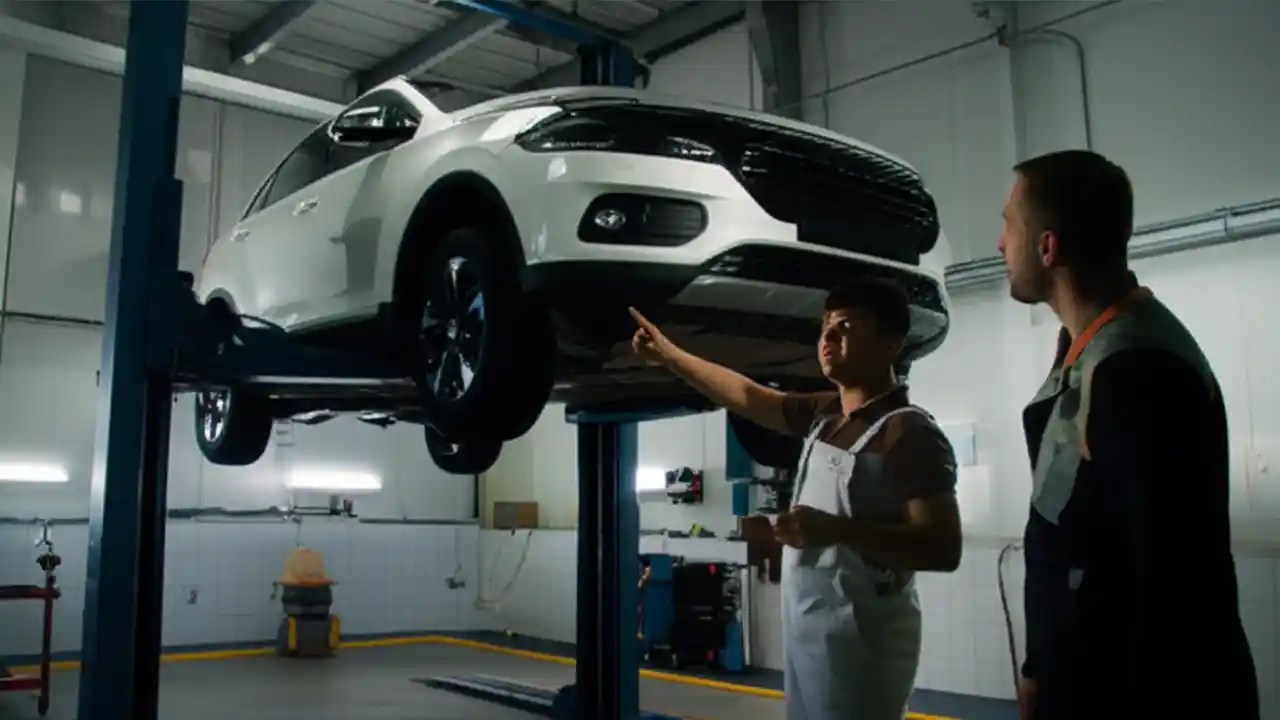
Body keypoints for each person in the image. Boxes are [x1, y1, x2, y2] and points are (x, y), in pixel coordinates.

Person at [998, 149, 1259, 719]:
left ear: (1047, 246)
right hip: (1090, 678)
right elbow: (1074, 530)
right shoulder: (1088, 352)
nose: (999, 244)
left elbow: (1173, 580)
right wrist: (1042, 668)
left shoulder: (1137, 368)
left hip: (1138, 694)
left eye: (1009, 226)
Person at [629, 278, 962, 720]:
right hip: (810, 632)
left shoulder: (909, 433)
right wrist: (670, 355)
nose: (828, 337)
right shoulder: (825, 416)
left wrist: (836, 530)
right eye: (825, 326)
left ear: (891, 343)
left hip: (864, 646)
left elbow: (943, 547)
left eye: (846, 326)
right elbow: (747, 396)